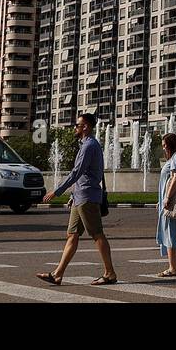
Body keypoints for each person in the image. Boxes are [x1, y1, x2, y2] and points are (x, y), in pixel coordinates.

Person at [38, 112, 117, 286]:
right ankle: (57, 274)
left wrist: (57, 191)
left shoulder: (89, 145)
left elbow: (77, 172)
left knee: (97, 235)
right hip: (80, 196)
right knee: (72, 235)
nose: (75, 127)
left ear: (85, 127)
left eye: (77, 125)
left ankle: (110, 273)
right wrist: (73, 195)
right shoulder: (86, 145)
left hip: (87, 196)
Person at [155, 132, 176, 277]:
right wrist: (161, 200)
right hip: (169, 201)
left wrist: (167, 197)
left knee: (171, 236)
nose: (163, 148)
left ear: (171, 144)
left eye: (165, 145)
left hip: (173, 203)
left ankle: (172, 268)